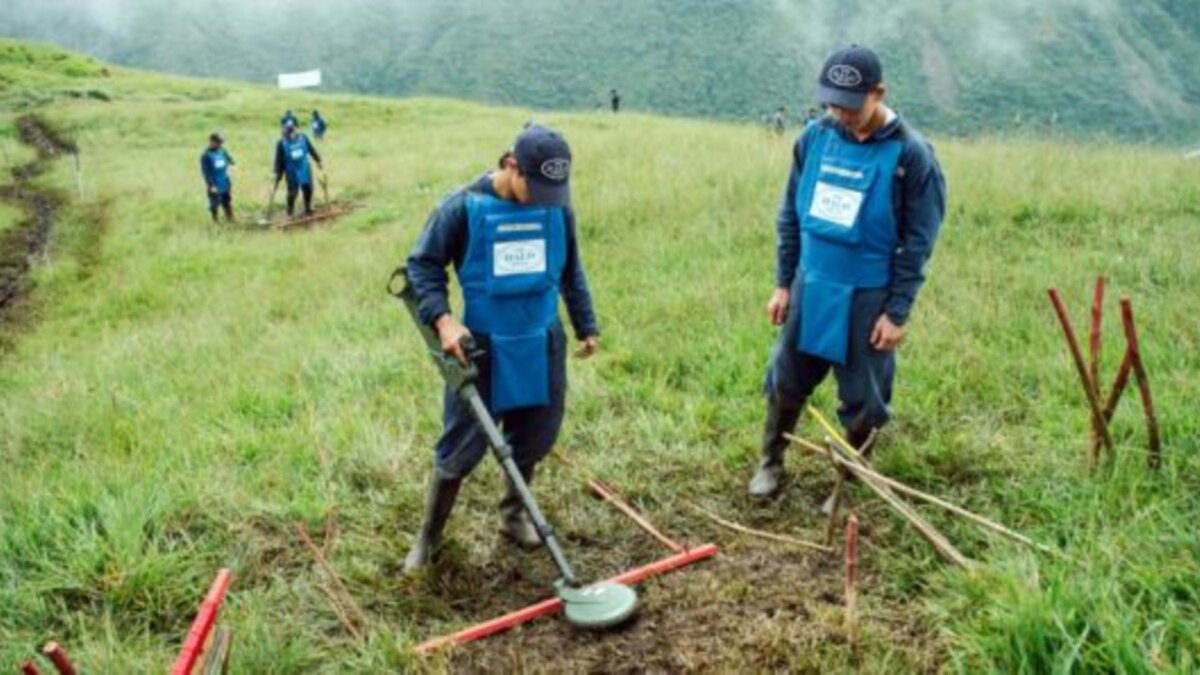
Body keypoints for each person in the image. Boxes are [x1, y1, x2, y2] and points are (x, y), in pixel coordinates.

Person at [749, 44, 947, 499]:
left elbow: (919, 243)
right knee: (785, 379)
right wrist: (783, 284)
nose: (840, 113)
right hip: (810, 284)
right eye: (831, 103)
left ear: (879, 93)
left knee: (863, 399)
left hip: (867, 294)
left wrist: (897, 313)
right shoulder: (814, 139)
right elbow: (790, 216)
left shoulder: (911, 157)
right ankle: (771, 462)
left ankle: (850, 479)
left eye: (851, 105)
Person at [402, 124, 599, 572]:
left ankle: (512, 515)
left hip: (541, 340)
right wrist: (444, 320)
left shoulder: (555, 206)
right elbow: (422, 265)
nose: (548, 199)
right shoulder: (461, 208)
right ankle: (428, 538)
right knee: (460, 445)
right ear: (511, 165)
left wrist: (586, 323)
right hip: (481, 347)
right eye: (539, 186)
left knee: (535, 434)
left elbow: (571, 270)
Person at [273, 120, 323, 217]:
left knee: (308, 189)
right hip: (291, 170)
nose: (290, 135)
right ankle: (290, 211)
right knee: (293, 192)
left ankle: (308, 208)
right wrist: (278, 174)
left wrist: (318, 161)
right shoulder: (281, 143)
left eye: (291, 132)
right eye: (287, 133)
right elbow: (278, 161)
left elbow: (311, 149)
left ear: (295, 130)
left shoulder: (303, 138)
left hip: (304, 167)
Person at [200, 132, 235, 222]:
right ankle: (215, 221)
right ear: (212, 142)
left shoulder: (222, 151)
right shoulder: (206, 156)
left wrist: (231, 163)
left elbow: (229, 159)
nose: (220, 144)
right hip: (214, 182)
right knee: (214, 203)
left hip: (224, 180)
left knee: (227, 201)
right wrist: (211, 185)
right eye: (218, 142)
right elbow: (206, 173)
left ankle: (230, 218)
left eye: (221, 143)